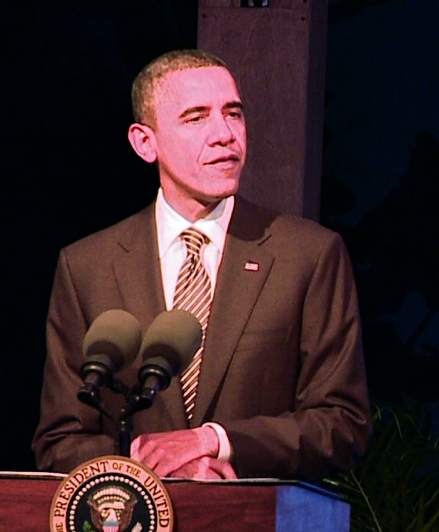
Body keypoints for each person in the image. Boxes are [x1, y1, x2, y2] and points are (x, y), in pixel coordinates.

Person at [31, 48, 372, 483]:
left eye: (233, 113)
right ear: (144, 143)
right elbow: (60, 438)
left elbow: (342, 424)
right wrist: (156, 465)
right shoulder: (88, 267)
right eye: (196, 118)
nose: (224, 134)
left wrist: (214, 441)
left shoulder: (308, 256)